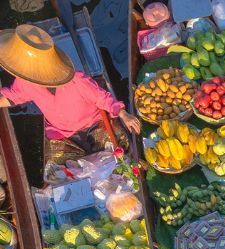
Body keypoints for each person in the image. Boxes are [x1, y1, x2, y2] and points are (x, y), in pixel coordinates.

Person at [0, 24, 140, 156]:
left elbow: (102, 98)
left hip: (94, 123)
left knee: (119, 152)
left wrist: (123, 113)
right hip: (60, 132)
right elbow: (13, 97)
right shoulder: (25, 82)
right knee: (62, 172)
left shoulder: (77, 80)